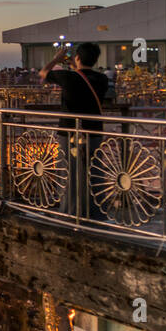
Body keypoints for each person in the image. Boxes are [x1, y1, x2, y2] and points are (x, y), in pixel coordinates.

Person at [40, 41, 107, 219]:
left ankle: (69, 212)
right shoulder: (102, 79)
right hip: (93, 132)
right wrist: (74, 64)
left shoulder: (67, 77)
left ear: (77, 57)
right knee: (94, 172)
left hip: (69, 132)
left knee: (68, 173)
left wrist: (56, 59)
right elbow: (83, 76)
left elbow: (43, 74)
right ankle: (95, 212)